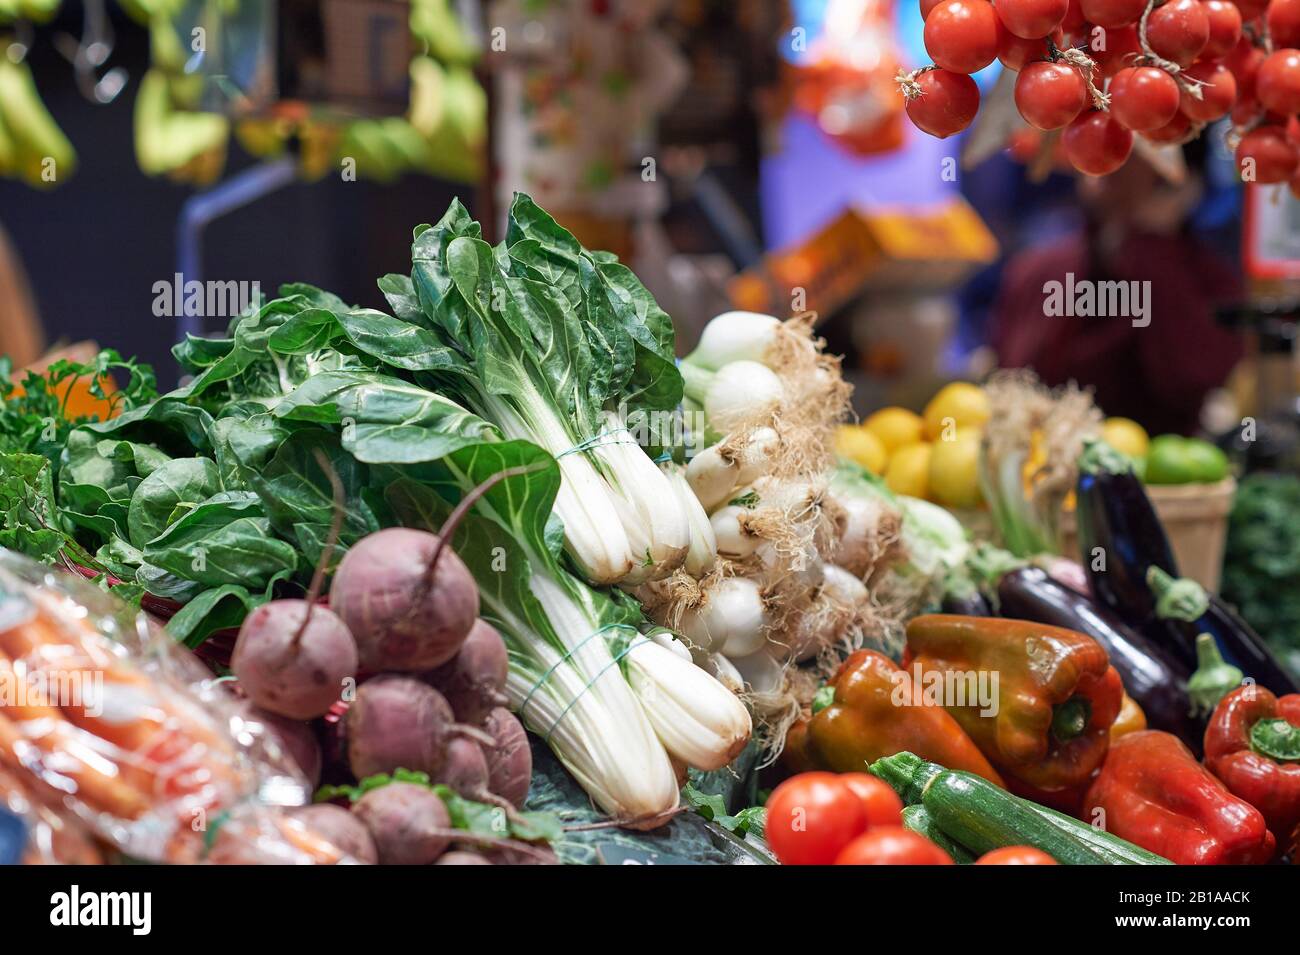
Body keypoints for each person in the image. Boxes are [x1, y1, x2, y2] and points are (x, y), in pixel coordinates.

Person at [990, 142, 1244, 436]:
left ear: (1174, 175)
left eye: (1128, 148)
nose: (1095, 152)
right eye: (1084, 135)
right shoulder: (1036, 270)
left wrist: (1150, 245)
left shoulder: (1209, 279)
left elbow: (1192, 381)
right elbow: (1015, 383)